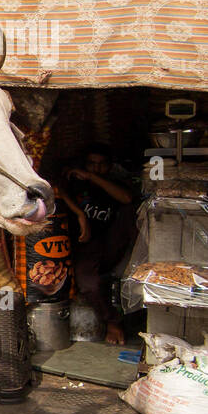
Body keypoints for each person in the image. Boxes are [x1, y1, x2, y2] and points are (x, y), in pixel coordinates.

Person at [63, 143, 136, 344]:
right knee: (87, 282)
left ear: (110, 166)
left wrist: (93, 177)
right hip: (81, 243)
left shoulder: (114, 183)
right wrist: (80, 215)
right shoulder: (75, 182)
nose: (96, 168)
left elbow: (126, 198)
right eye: (91, 164)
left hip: (107, 244)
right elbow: (56, 189)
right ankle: (112, 321)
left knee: (88, 281)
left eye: (101, 165)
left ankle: (113, 322)